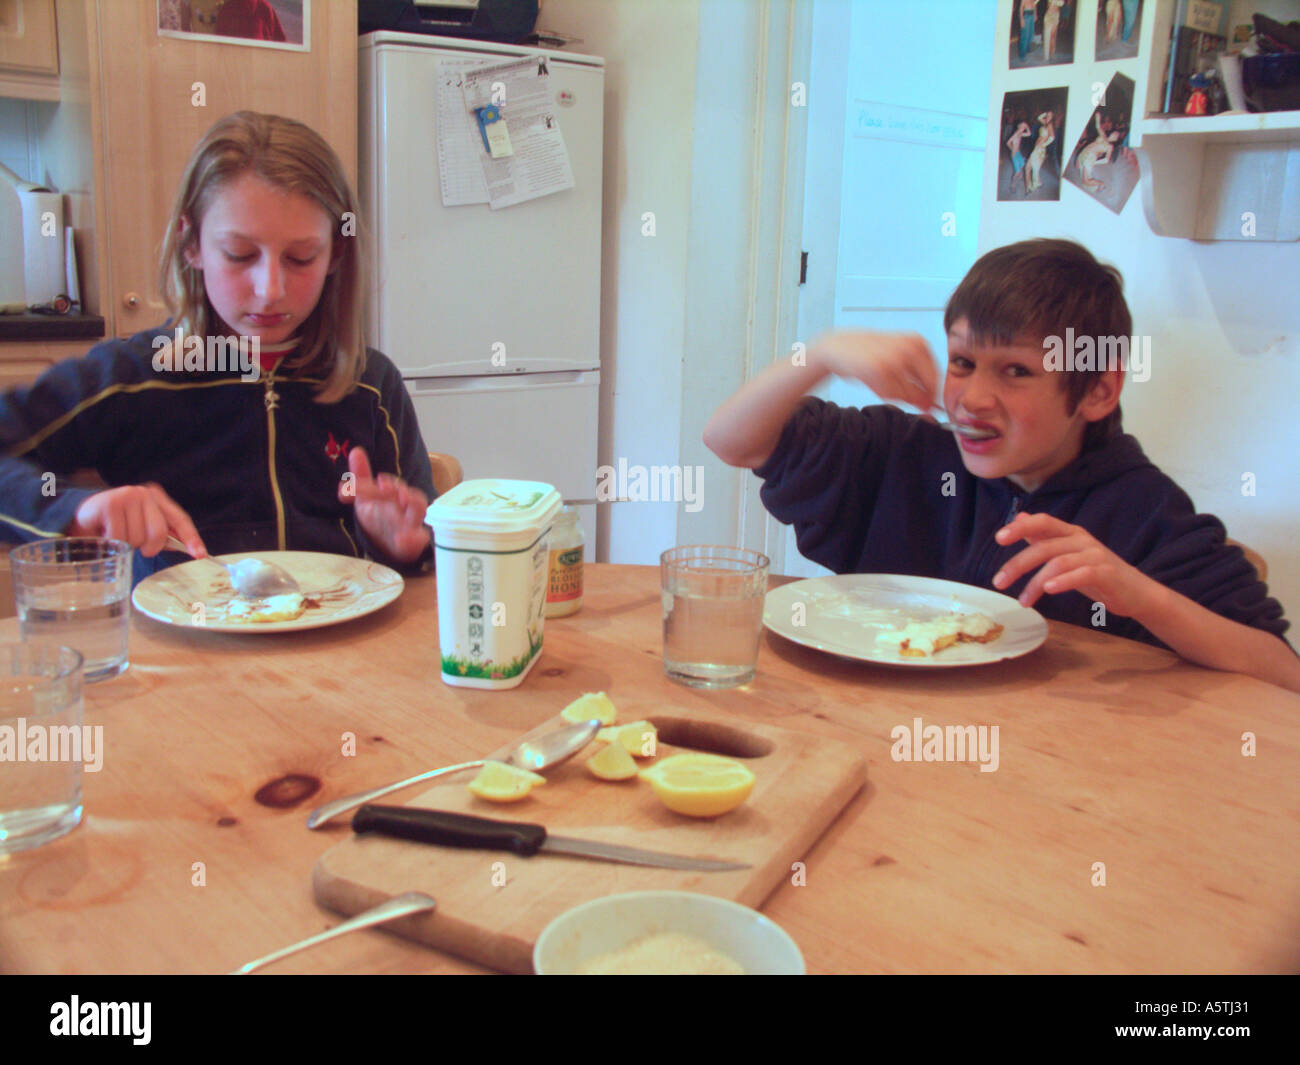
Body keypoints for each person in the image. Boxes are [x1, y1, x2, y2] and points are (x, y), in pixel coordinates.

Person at [702, 239, 1300, 693]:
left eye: (1015, 371)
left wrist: (1138, 594)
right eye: (962, 361)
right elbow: (730, 439)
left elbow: (1280, 671)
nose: (974, 397)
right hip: (871, 732)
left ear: (1097, 391)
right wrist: (822, 354)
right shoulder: (903, 455)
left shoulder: (1141, 509)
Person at [0, 112, 435, 582]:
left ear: (337, 253)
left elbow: (422, 551)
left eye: (301, 257)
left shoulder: (369, 382)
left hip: (340, 649)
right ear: (192, 245)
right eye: (240, 255)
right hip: (185, 652)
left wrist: (406, 547)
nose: (270, 289)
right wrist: (76, 509)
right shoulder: (131, 377)